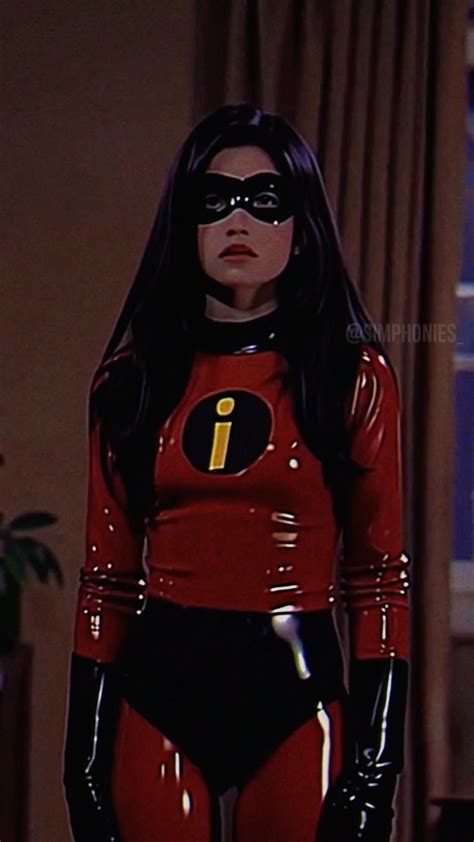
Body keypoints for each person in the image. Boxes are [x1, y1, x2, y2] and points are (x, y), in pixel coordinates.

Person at [63, 103, 411, 842]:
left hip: (296, 697)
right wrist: (83, 761)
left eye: (266, 200)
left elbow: (379, 578)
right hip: (159, 697)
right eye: (214, 201)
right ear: (185, 224)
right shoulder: (132, 383)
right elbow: (107, 579)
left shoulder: (350, 378)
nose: (238, 220)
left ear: (301, 225)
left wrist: (377, 764)